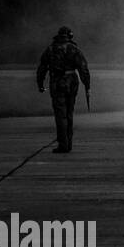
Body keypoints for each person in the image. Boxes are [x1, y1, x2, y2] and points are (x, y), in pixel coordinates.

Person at [36, 26, 90, 154]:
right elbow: (83, 68)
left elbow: (42, 68)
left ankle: (63, 144)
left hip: (57, 82)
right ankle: (68, 143)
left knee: (61, 115)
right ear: (70, 36)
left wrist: (40, 84)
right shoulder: (74, 49)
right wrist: (87, 86)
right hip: (72, 82)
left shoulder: (50, 49)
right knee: (69, 113)